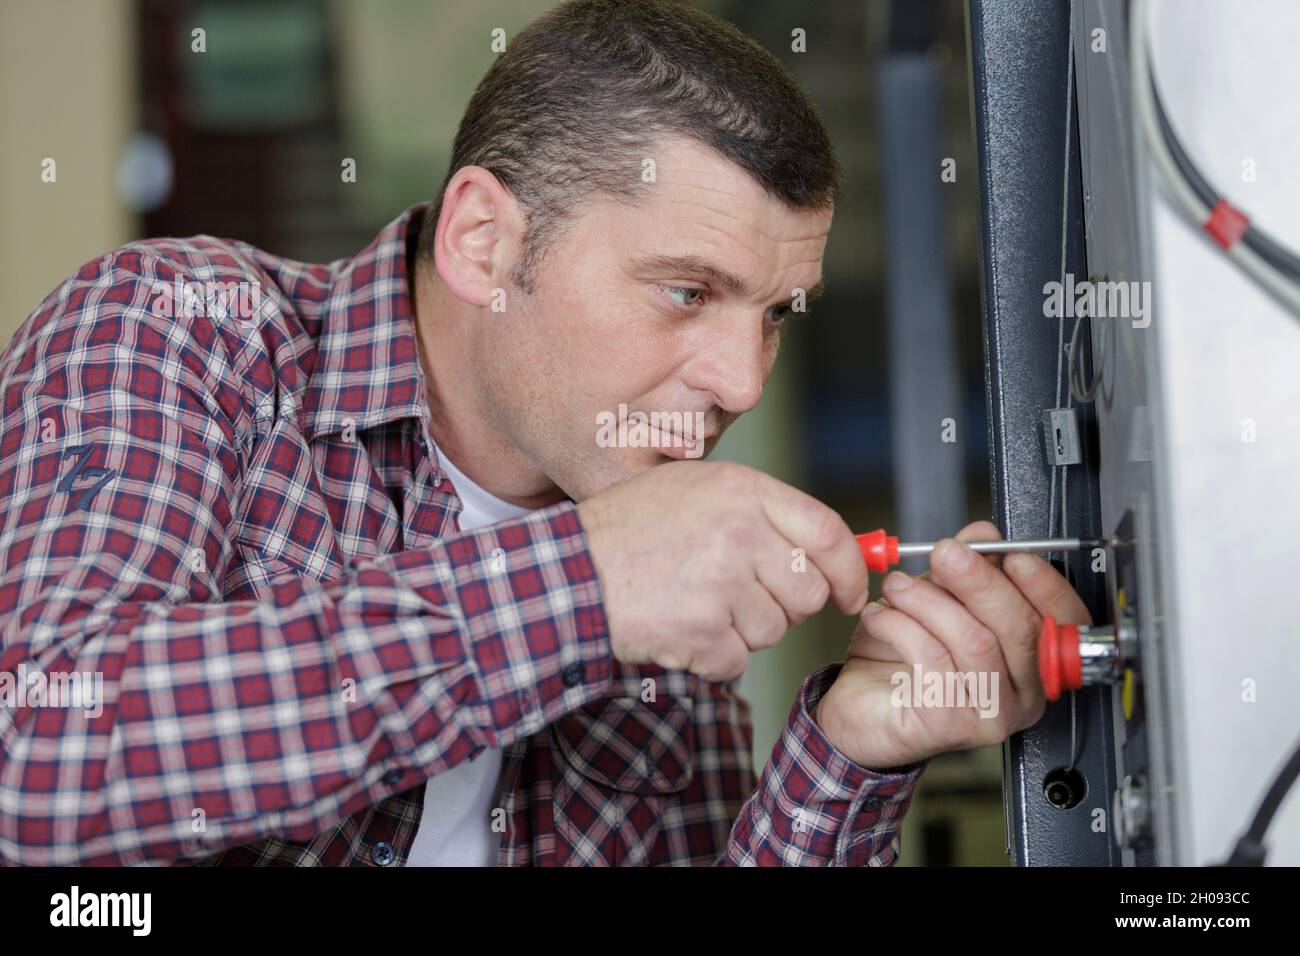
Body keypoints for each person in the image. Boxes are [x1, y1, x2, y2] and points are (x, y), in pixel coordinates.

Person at [0, 0, 1090, 866]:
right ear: (483, 241)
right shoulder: (181, 330)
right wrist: (585, 587)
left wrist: (848, 753)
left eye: (772, 316)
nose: (741, 381)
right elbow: (37, 764)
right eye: (683, 291)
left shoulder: (661, 593)